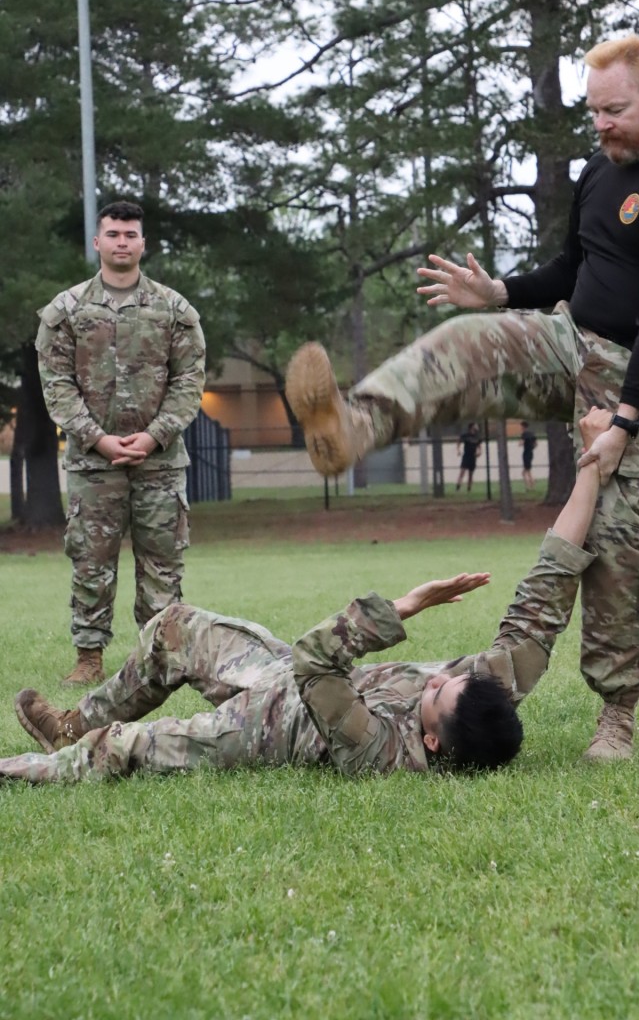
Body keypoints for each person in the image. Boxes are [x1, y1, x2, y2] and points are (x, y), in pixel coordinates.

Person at [286, 35, 639, 760]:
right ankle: (351, 425)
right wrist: (499, 293)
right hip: (573, 340)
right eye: (593, 112)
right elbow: (572, 267)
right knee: (472, 339)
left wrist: (621, 423)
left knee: (616, 547)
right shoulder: (600, 170)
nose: (601, 126)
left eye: (613, 110)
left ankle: (616, 714)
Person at [1, 411, 608, 786]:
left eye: (437, 693)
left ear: (431, 743)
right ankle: (70, 725)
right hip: (275, 672)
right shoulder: (489, 689)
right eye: (446, 678)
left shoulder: (376, 750)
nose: (434, 679)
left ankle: (34, 766)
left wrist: (403, 608)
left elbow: (316, 659)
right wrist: (592, 467)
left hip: (260, 729)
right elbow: (547, 590)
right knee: (174, 628)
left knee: (122, 749)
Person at [36, 200, 206, 687]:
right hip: (94, 464)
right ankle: (89, 658)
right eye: (113, 234)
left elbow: (189, 381)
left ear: (143, 243)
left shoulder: (174, 310)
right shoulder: (67, 311)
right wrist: (98, 439)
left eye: (131, 234)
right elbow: (57, 384)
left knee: (162, 563)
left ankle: (163, 658)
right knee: (91, 561)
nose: (122, 242)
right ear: (97, 242)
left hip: (161, 462)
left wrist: (155, 436)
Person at [456, 422, 482, 491]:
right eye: (475, 426)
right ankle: (458, 485)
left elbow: (479, 446)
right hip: (466, 456)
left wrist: (479, 452)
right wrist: (458, 450)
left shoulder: (477, 437)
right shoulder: (466, 435)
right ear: (471, 427)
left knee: (470, 473)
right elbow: (459, 441)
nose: (477, 427)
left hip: (473, 457)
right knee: (462, 471)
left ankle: (469, 488)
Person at [520, 421, 537, 491]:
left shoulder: (524, 434)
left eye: (521, 426)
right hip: (531, 453)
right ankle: (529, 486)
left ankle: (532, 484)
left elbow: (521, 442)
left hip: (526, 453)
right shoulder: (532, 434)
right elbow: (536, 444)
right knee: (525, 472)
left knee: (527, 471)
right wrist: (531, 447)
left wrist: (520, 443)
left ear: (523, 427)